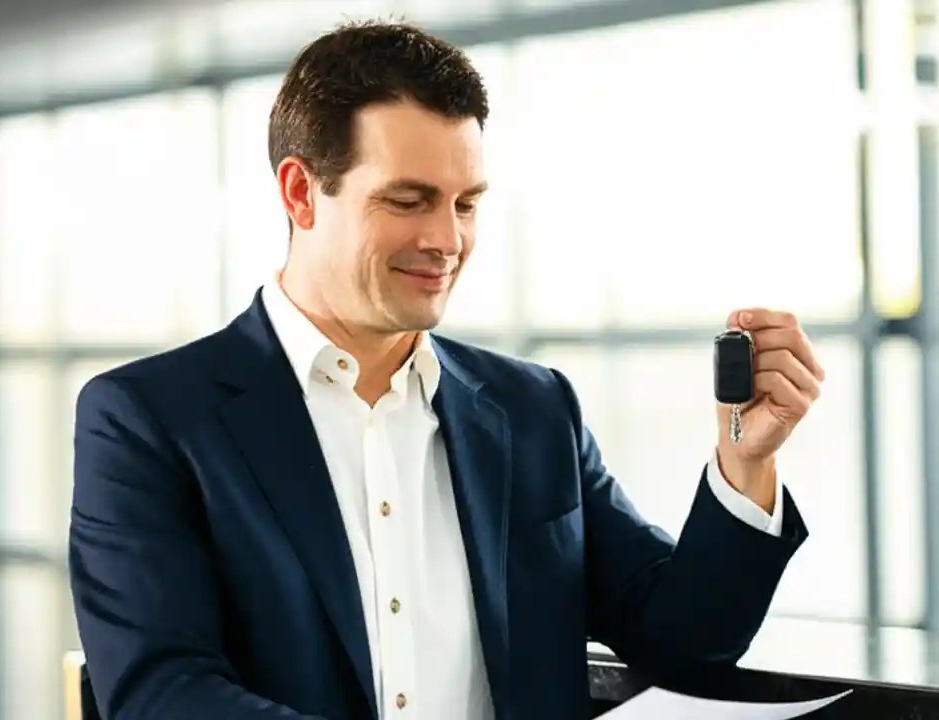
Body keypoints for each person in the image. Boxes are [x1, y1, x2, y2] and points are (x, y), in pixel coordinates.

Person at [69, 20, 826, 720]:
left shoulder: (532, 409)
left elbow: (681, 640)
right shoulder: (147, 419)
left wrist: (744, 458)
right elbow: (162, 692)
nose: (447, 239)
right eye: (409, 200)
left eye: (466, 204)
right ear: (301, 192)